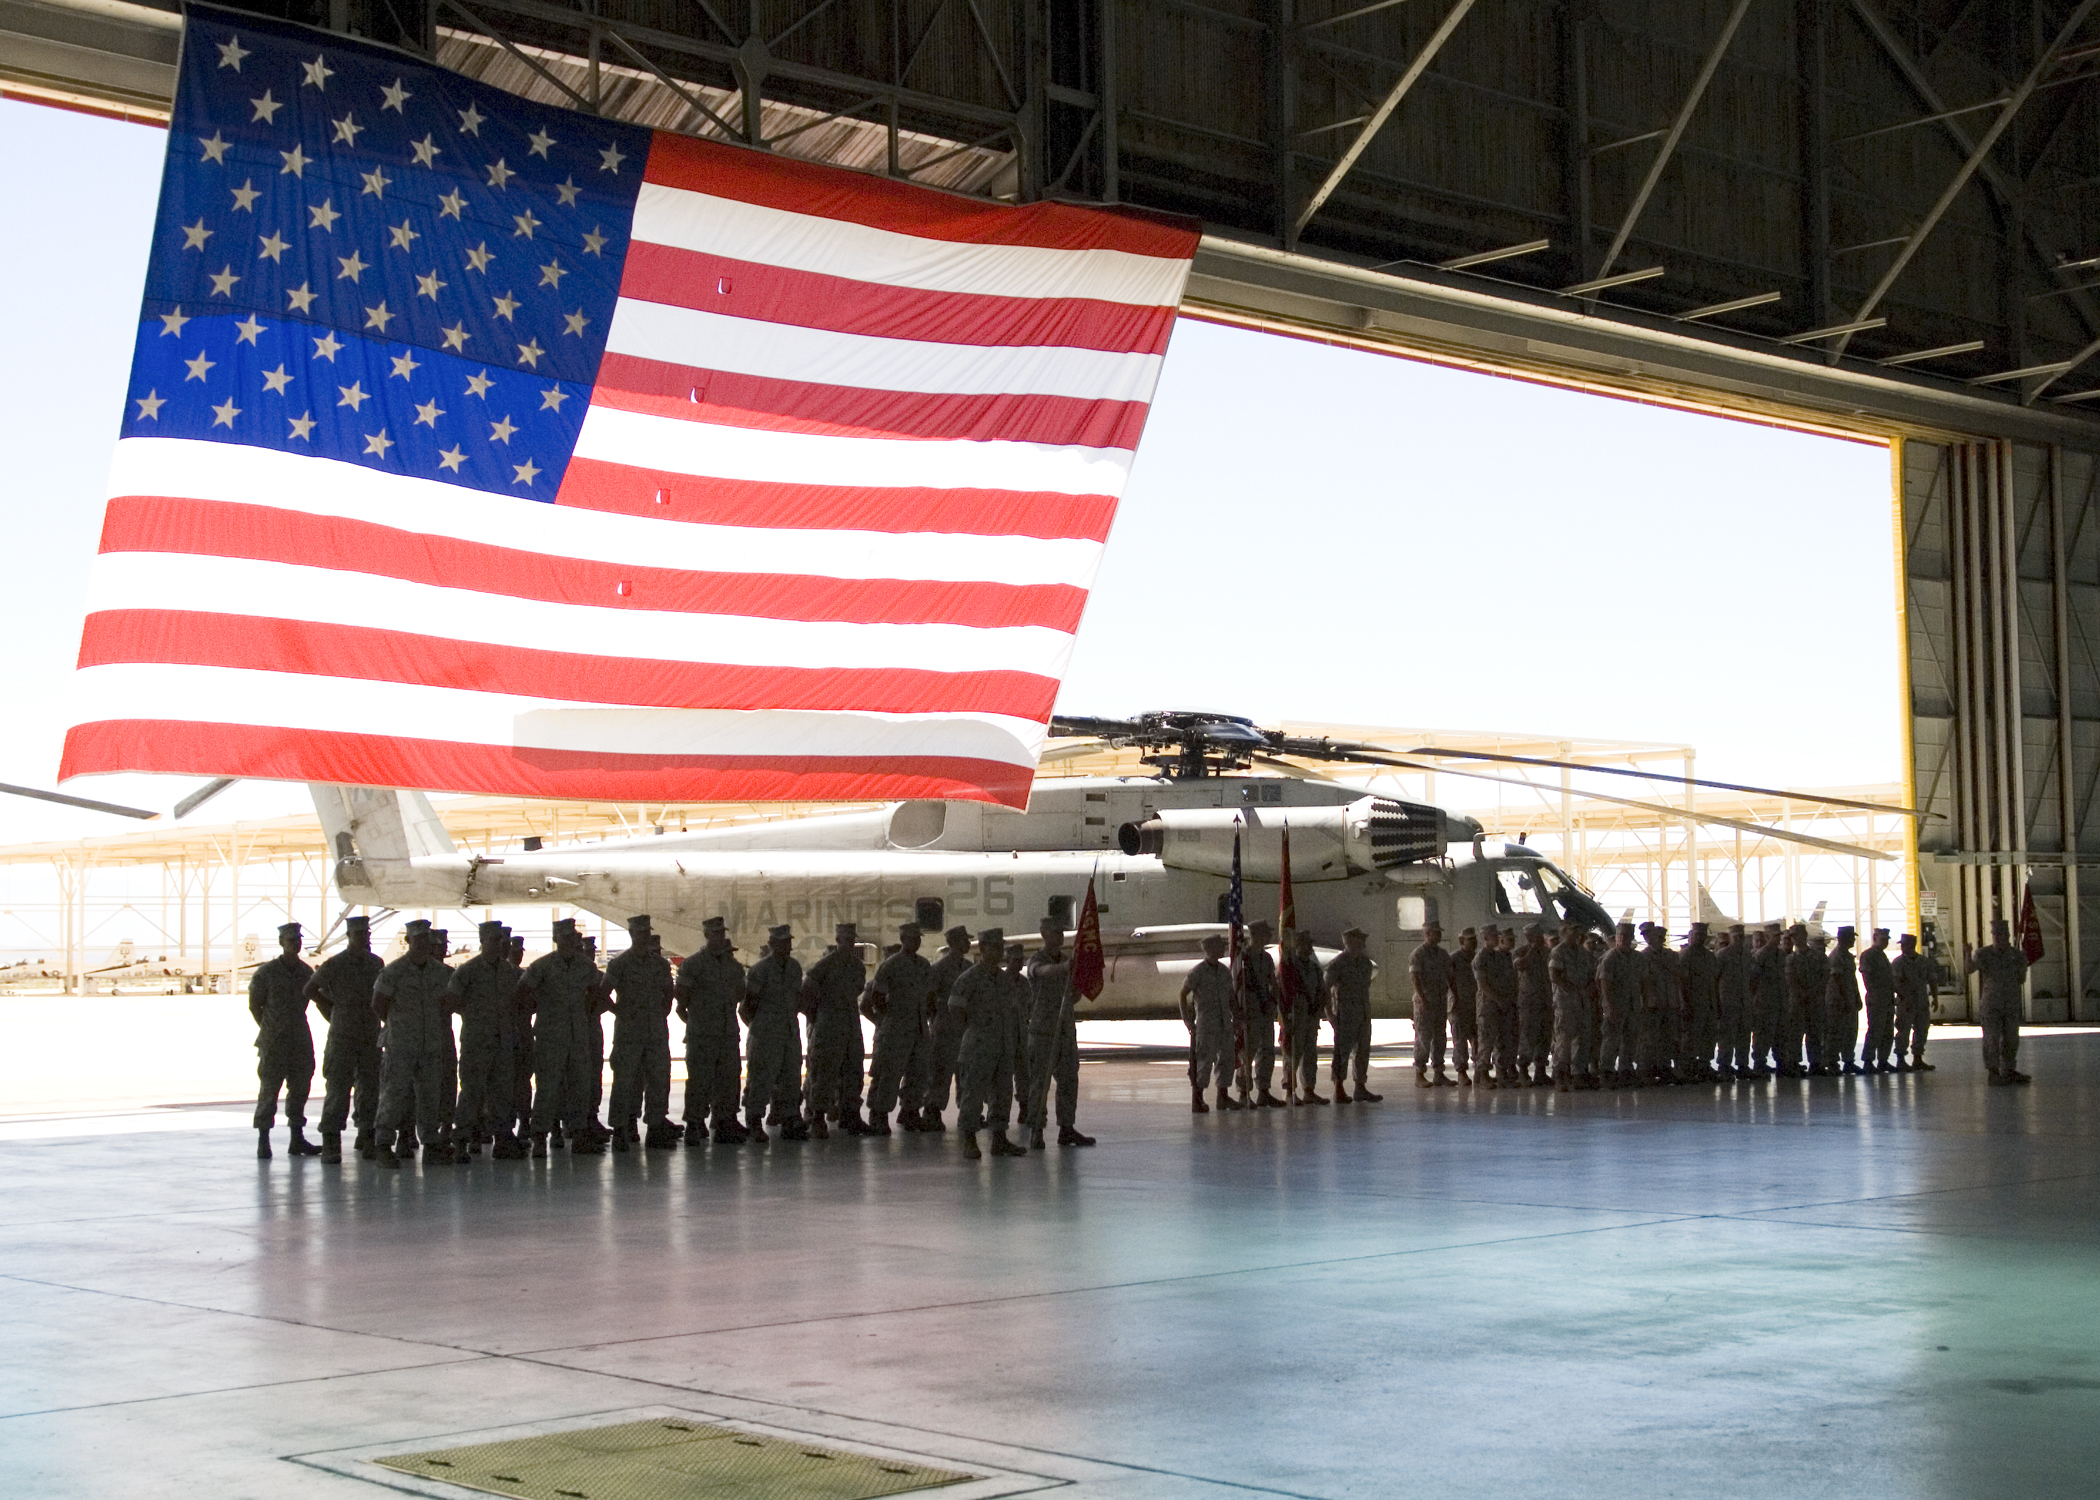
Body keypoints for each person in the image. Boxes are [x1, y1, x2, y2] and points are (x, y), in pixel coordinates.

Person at [374, 919, 462, 1167]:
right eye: (418, 938)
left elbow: (450, 1002)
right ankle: (383, 1144)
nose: (423, 943)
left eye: (426, 938)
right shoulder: (394, 972)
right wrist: (399, 1025)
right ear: (408, 941)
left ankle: (431, 1144)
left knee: (429, 1097)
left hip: (430, 1044)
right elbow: (378, 1004)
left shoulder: (441, 973)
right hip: (401, 1045)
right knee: (394, 1095)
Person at [519, 917, 605, 1157]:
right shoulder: (542, 966)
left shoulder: (584, 965)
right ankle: (539, 1136)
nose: (569, 941)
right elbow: (523, 992)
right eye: (565, 937)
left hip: (578, 1035)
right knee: (548, 1087)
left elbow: (595, 992)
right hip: (550, 1036)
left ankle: (578, 1135)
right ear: (556, 939)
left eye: (572, 937)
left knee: (580, 1086)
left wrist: (586, 1013)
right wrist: (540, 1009)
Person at [308, 914, 385, 1163]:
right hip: (343, 1035)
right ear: (349, 936)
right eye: (359, 934)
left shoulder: (376, 963)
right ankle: (331, 1139)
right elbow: (310, 989)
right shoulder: (335, 964)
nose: (364, 938)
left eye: (367, 934)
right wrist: (332, 1011)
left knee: (370, 1087)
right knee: (338, 1088)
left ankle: (367, 1134)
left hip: (369, 1033)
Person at [604, 916, 677, 1149]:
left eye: (647, 932)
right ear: (632, 934)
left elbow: (669, 991)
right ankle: (621, 1128)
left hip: (655, 1032)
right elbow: (603, 993)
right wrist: (619, 1011)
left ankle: (655, 1127)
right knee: (625, 1081)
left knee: (659, 1080)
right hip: (629, 1033)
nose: (644, 936)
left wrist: (662, 1011)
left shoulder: (660, 965)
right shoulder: (619, 964)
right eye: (640, 932)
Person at [952, 928, 1025, 1159]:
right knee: (973, 1094)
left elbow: (1012, 1010)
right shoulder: (969, 978)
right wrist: (975, 1030)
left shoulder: (1005, 980)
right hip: (979, 1047)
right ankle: (969, 1140)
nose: (999, 951)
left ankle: (999, 1139)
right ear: (982, 948)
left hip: (1003, 1046)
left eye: (1000, 947)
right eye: (994, 947)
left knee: (1002, 1093)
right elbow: (955, 1010)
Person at [448, 921, 520, 1157]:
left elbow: (521, 1000)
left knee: (502, 1093)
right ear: (482, 941)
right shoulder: (468, 971)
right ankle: (461, 1140)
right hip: (476, 1042)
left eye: (500, 940)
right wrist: (474, 1017)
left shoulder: (510, 972)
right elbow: (452, 1000)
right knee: (471, 1092)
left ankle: (503, 1139)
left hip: (503, 1041)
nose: (497, 944)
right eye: (492, 940)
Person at [1023, 915, 1094, 1147]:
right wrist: (1064, 968)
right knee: (1040, 1083)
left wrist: (1076, 989)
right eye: (1055, 932)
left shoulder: (1066, 960)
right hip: (1043, 1030)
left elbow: (1073, 993)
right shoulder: (1037, 959)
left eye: (1061, 933)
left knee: (1069, 1079)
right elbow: (1039, 971)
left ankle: (1067, 1127)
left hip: (1064, 1029)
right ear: (1044, 934)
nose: (1060, 937)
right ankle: (1036, 1129)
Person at [249, 921, 317, 1160]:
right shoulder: (266, 972)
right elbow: (255, 1005)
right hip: (274, 1041)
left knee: (300, 1089)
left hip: (299, 1038)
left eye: (298, 940)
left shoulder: (305, 972)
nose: (295, 944)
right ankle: (263, 1140)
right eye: (290, 941)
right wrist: (270, 1028)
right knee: (269, 1091)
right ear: (281, 943)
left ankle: (296, 1138)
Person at [675, 916, 747, 1144]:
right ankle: (694, 1123)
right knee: (699, 1081)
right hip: (702, 1034)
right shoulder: (693, 964)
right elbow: (681, 1000)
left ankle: (725, 1122)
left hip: (727, 1034)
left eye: (721, 933)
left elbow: (740, 993)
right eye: (715, 933)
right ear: (706, 935)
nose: (719, 937)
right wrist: (695, 1024)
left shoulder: (733, 966)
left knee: (729, 1080)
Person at [864, 922, 934, 1135]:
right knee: (888, 1073)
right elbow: (877, 997)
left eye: (918, 938)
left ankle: (910, 1112)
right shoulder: (891, 965)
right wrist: (887, 1020)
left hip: (919, 1028)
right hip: (896, 1029)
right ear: (903, 940)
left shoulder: (923, 965)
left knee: (918, 1073)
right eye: (912, 938)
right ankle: (879, 1114)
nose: (916, 942)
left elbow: (929, 995)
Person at [802, 922, 870, 1137]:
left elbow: (857, 990)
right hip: (829, 1026)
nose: (850, 943)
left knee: (854, 1071)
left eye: (852, 940)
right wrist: (816, 1018)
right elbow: (806, 992)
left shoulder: (857, 966)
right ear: (838, 940)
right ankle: (818, 1117)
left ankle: (850, 1115)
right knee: (824, 1072)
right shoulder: (825, 965)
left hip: (851, 1025)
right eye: (846, 939)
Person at [743, 924, 809, 1141]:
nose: (786, 946)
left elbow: (797, 998)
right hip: (766, 1034)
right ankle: (754, 1121)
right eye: (781, 942)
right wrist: (760, 1028)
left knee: (791, 1078)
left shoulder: (794, 968)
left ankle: (789, 1120)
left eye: (788, 942)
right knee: (761, 1079)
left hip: (789, 1032)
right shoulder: (760, 970)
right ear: (771, 944)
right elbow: (748, 1006)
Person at [914, 925, 973, 1132]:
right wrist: (935, 1020)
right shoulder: (939, 968)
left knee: (966, 1071)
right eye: (964, 940)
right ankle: (932, 1111)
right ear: (954, 943)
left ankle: (968, 1111)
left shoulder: (969, 967)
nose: (968, 944)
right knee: (941, 1070)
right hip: (945, 1027)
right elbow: (929, 997)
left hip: (965, 1026)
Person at [1966, 918, 2031, 1085]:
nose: (1997, 937)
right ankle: (1993, 1072)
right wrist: (1967, 954)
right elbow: (1969, 970)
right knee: (1991, 1038)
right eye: (1995, 934)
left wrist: (2022, 966)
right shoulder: (1984, 954)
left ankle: (2009, 1070)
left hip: (2010, 1003)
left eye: (2000, 934)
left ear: (2007, 935)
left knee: (2011, 1038)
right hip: (1991, 1004)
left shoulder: (2017, 955)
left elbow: (2021, 979)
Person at [1181, 933, 1238, 1113]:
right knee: (1204, 1061)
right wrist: (1187, 1020)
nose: (1223, 949)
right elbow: (1183, 993)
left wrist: (1237, 1014)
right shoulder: (1198, 972)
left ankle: (1223, 1097)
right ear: (1210, 949)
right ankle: (1198, 1099)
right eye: (1219, 946)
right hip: (1207, 1024)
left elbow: (1230, 996)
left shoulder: (1224, 971)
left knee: (1226, 1059)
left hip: (1224, 1022)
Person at [1326, 927, 1381, 1102]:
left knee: (1363, 1051)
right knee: (1342, 1051)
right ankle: (1339, 1088)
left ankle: (1360, 1087)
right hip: (1345, 1014)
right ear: (1350, 941)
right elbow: (1326, 989)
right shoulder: (1337, 964)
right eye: (1360, 939)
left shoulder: (1365, 963)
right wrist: (1330, 1014)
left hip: (1363, 1013)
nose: (1363, 943)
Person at [1547, 919, 1597, 1090]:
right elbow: (1555, 976)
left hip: (1583, 1002)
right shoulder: (1558, 952)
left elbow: (1591, 974)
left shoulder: (1583, 953)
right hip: (1565, 1001)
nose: (1576, 933)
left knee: (1582, 1038)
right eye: (1572, 930)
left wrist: (1587, 990)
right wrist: (1575, 990)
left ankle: (1578, 1073)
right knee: (1564, 1039)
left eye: (1577, 930)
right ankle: (1560, 1074)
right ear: (1563, 932)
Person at [1242, 920, 1284, 1108]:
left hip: (1265, 1009)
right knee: (1247, 1052)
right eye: (1266, 933)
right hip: (1250, 1011)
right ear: (1256, 935)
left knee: (1267, 1051)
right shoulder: (1243, 957)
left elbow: (1271, 981)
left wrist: (1274, 1001)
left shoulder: (1266, 958)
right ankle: (1244, 1093)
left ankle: (1263, 1091)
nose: (1269, 936)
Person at [1597, 922, 1641, 1088]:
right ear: (1616, 937)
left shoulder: (1637, 958)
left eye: (1626, 936)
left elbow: (1643, 980)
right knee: (1611, 1039)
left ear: (1631, 938)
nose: (1623, 938)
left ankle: (1626, 1070)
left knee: (1630, 1039)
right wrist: (1609, 1006)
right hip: (1616, 1004)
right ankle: (1606, 1071)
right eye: (1619, 935)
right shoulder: (1610, 958)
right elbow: (1604, 982)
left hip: (1633, 1004)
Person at [1409, 922, 1454, 1087]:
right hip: (1425, 1002)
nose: (1439, 935)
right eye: (1436, 932)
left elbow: (1449, 976)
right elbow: (1415, 977)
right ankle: (1419, 1074)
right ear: (1427, 934)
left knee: (1440, 1037)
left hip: (1440, 1001)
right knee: (1423, 1037)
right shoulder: (1418, 954)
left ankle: (1439, 1073)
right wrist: (1423, 999)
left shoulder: (1442, 954)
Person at [1285, 929, 1327, 1104]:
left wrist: (1319, 1008)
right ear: (1298, 945)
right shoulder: (1289, 968)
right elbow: (1283, 993)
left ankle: (1309, 1090)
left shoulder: (1314, 968)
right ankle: (1290, 1091)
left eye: (1310, 944)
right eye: (1306, 944)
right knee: (1293, 1055)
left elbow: (1321, 990)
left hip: (1310, 1016)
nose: (1309, 948)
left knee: (1310, 1055)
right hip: (1296, 1017)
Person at [1637, 923, 1682, 1085]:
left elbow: (1679, 976)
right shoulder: (1642, 957)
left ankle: (1664, 1067)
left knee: (1667, 1037)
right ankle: (1645, 1069)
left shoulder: (1671, 956)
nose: (1650, 939)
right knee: (1648, 1038)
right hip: (1651, 1004)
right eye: (1647, 936)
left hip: (1669, 1001)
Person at [1473, 923, 1517, 1087]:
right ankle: (1482, 1074)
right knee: (1486, 1041)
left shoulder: (1498, 957)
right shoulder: (1481, 958)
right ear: (1485, 938)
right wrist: (1498, 1000)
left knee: (1501, 1040)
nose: (1497, 939)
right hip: (1488, 1006)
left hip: (1501, 1004)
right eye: (1494, 936)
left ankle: (1501, 1072)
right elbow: (1483, 984)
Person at [1514, 922, 1553, 1086]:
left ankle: (1540, 1071)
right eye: (1535, 935)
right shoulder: (1521, 951)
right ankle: (1523, 1071)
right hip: (1529, 1002)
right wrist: (1532, 950)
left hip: (1546, 1000)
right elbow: (1520, 965)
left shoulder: (1548, 952)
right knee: (1528, 1036)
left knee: (1545, 1036)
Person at [1678, 923, 1719, 1083]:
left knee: (1708, 1036)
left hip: (1708, 1002)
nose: (1700, 938)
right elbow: (1682, 982)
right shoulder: (1685, 955)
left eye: (1702, 935)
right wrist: (1684, 1004)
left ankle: (1704, 1064)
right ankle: (1687, 1066)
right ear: (1691, 936)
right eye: (1697, 935)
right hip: (1693, 1003)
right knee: (1690, 1037)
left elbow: (1714, 980)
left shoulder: (1709, 956)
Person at [1749, 925, 1790, 1077]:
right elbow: (1753, 979)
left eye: (1779, 936)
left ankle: (1781, 1063)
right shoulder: (1761, 955)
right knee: (1763, 1034)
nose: (1778, 939)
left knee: (1781, 1034)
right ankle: (1759, 1063)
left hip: (1780, 1001)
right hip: (1765, 1002)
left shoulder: (1781, 954)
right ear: (1767, 937)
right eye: (1775, 936)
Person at [1891, 932, 1935, 1072]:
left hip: (1921, 1000)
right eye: (1902, 945)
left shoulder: (1924, 962)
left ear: (1912, 945)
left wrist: (1935, 997)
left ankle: (1918, 1058)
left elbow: (1932, 980)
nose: (1903, 947)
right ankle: (1901, 1059)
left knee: (1922, 1030)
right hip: (1905, 1002)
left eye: (1905, 945)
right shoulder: (1898, 963)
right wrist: (1904, 997)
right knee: (1903, 1031)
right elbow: (1896, 983)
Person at [1786, 925, 1827, 1074]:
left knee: (1815, 1032)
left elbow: (1825, 977)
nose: (1794, 939)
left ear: (1804, 935)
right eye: (1792, 936)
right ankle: (1794, 1063)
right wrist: (1802, 993)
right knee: (1795, 1033)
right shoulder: (1790, 958)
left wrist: (1813, 992)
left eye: (1796, 935)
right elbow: (1790, 979)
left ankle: (1815, 1063)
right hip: (1797, 1001)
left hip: (1815, 1000)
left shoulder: (1819, 957)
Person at [1825, 926, 1863, 1076]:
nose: (1853, 940)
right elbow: (1837, 980)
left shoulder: (1847, 956)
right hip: (1837, 1001)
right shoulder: (1837, 957)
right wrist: (1845, 999)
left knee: (1850, 1032)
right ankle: (1832, 1062)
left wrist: (1856, 997)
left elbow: (1852, 980)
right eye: (1851, 937)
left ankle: (1848, 1062)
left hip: (1848, 999)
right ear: (1842, 939)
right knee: (1835, 1032)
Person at [1858, 927, 1897, 1073]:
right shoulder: (1868, 955)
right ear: (1875, 938)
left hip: (1887, 998)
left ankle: (1883, 1060)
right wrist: (1873, 993)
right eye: (1883, 939)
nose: (1885, 942)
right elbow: (1867, 977)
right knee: (1875, 1030)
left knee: (1887, 1031)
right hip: (1877, 998)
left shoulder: (1882, 955)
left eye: (1887, 939)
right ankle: (1868, 1061)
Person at [1715, 924, 1750, 1079]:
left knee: (1744, 1036)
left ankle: (1743, 1065)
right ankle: (1724, 1066)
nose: (1738, 939)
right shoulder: (1722, 955)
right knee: (1727, 1037)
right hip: (1728, 1002)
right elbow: (1714, 979)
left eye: (1741, 936)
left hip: (1744, 1002)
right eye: (1735, 937)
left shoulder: (1747, 955)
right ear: (1730, 938)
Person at [1448, 926, 1479, 1085]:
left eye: (1474, 939)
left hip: (1476, 1005)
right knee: (1460, 1041)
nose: (1473, 943)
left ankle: (1480, 1070)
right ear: (1462, 941)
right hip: (1459, 1005)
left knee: (1478, 1039)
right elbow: (1447, 981)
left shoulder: (1478, 957)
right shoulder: (1453, 959)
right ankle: (1461, 1072)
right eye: (1469, 940)